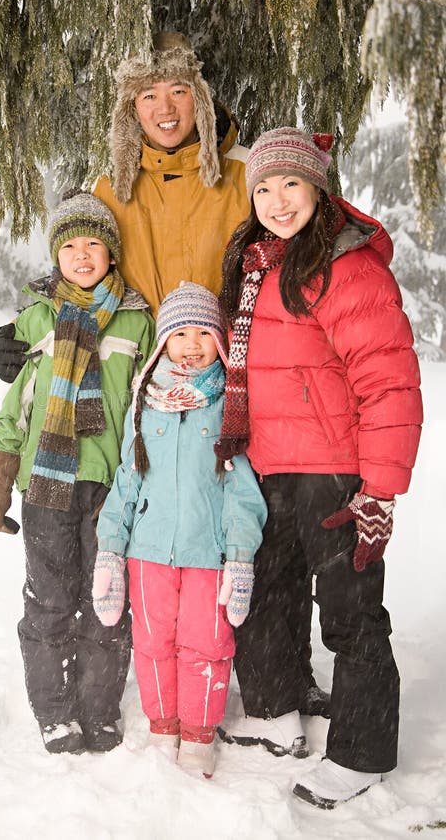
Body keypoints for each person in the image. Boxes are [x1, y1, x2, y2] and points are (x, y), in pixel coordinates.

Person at [0, 32, 331, 719]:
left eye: (177, 91)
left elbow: (288, 244)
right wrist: (15, 331)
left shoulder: (239, 175)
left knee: (252, 521)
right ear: (131, 111)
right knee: (153, 517)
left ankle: (279, 678)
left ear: (198, 97)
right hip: (147, 378)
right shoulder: (115, 187)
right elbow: (82, 268)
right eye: (148, 96)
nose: (165, 108)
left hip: (235, 367)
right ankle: (162, 661)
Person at [214, 126, 423, 807]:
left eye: (292, 185)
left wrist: (380, 487)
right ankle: (276, 708)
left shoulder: (346, 264)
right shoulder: (253, 265)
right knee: (267, 598)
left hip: (335, 472)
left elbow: (388, 382)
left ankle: (362, 752)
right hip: (264, 467)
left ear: (318, 188)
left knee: (350, 614)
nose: (277, 200)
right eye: (265, 188)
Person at [0, 190, 155, 755]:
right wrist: (0, 474)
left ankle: (99, 708)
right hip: (45, 487)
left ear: (111, 252)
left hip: (108, 488)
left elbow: (143, 409)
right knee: (50, 602)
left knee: (106, 604)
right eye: (70, 246)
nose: (83, 256)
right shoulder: (37, 319)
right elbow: (17, 405)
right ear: (56, 255)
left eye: (94, 244)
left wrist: (136, 481)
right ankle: (55, 712)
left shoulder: (136, 320)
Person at [91, 282, 267, 778]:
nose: (192, 344)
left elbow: (242, 491)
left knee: (207, 645)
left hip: (207, 553)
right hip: (147, 552)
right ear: (163, 340)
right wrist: (110, 549)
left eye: (203, 333)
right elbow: (127, 477)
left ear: (219, 339)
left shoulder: (228, 405)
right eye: (180, 333)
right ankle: (163, 726)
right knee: (151, 643)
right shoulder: (144, 403)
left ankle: (197, 735)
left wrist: (239, 555)